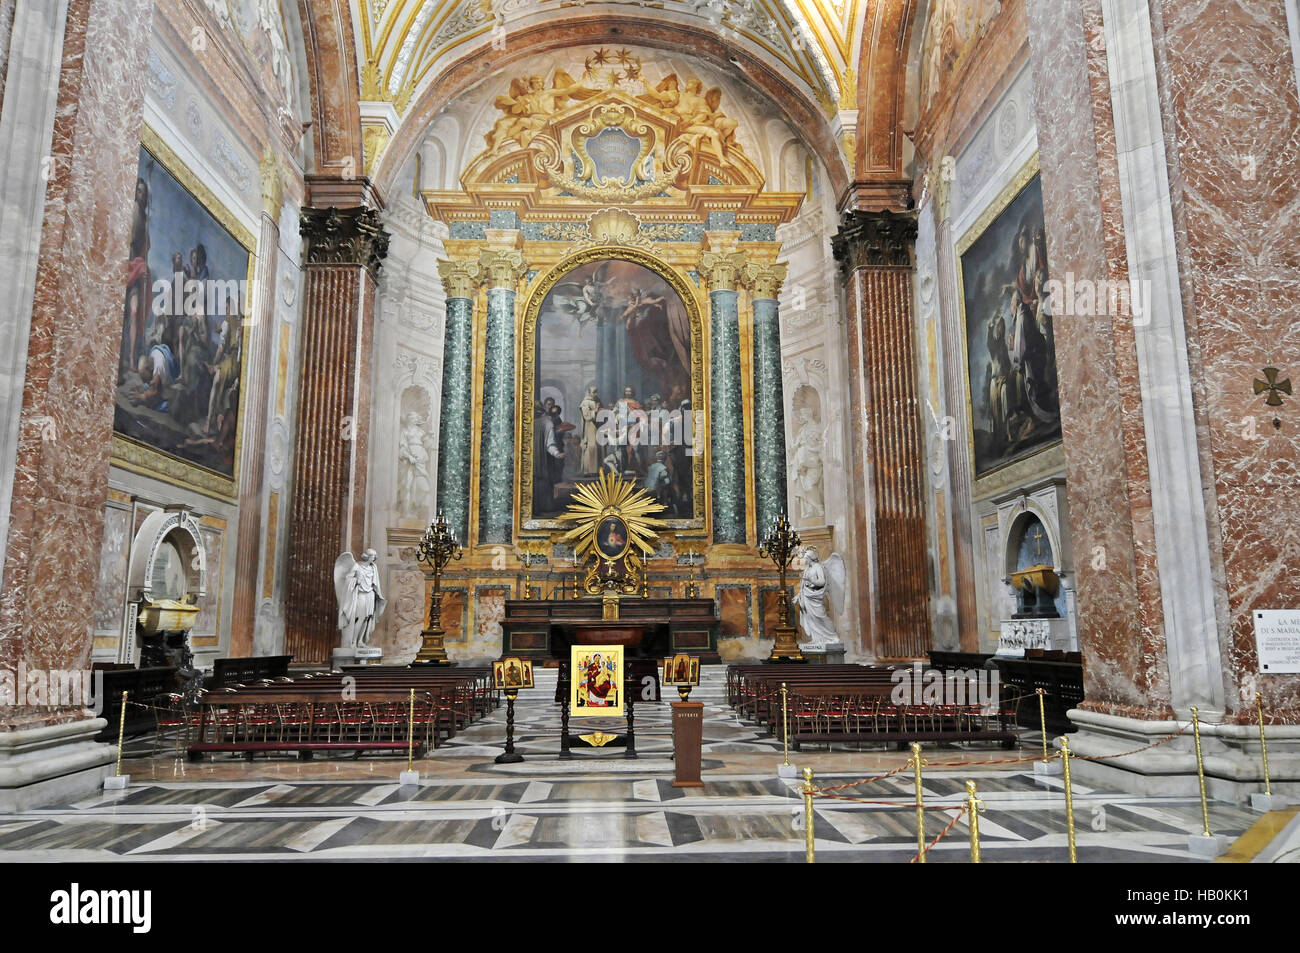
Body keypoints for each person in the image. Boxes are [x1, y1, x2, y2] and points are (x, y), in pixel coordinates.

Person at [335, 549, 387, 648]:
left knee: (367, 619)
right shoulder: (357, 566)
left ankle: (360, 641)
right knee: (361, 617)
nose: (375, 558)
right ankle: (353, 642)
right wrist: (356, 580)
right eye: (373, 556)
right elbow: (348, 578)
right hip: (361, 594)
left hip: (370, 595)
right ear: (367, 556)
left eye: (375, 556)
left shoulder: (373, 567)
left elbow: (375, 583)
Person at [579, 386, 601, 475]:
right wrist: (595, 410)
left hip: (597, 426)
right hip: (590, 426)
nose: (595, 394)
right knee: (591, 447)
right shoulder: (585, 402)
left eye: (596, 392)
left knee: (597, 448)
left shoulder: (597, 401)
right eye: (593, 392)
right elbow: (586, 416)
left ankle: (597, 470)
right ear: (589, 392)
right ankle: (589, 471)